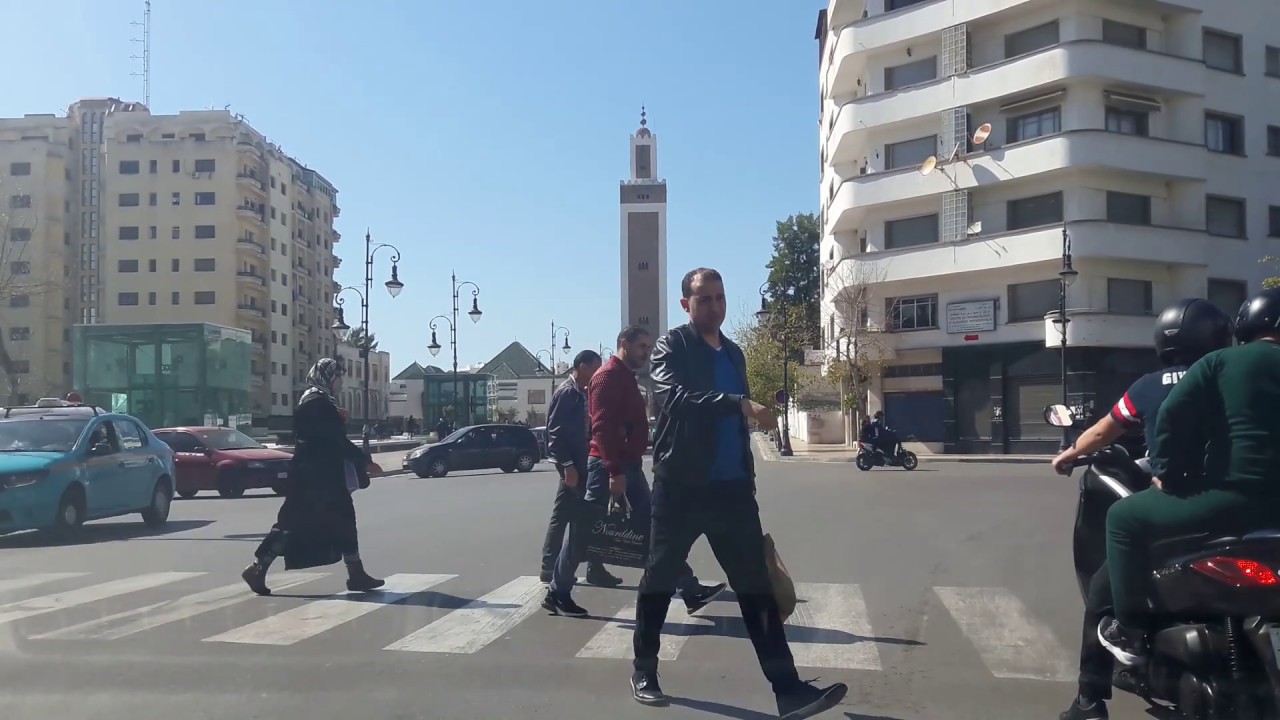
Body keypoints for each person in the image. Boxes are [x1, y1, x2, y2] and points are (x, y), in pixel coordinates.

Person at [631, 268, 848, 719]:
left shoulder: (734, 353)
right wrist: (739, 404)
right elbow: (675, 399)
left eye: (720, 297)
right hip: (682, 488)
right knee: (660, 578)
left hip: (732, 492)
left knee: (756, 590)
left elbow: (738, 421)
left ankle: (788, 690)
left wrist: (748, 462)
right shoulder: (673, 347)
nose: (714, 306)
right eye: (704, 299)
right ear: (685, 304)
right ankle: (645, 669)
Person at [1049, 298, 1232, 720]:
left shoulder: (1150, 386)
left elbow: (1103, 430)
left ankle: (1090, 701)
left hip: (1179, 507)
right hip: (1244, 505)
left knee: (1102, 588)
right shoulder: (1234, 374)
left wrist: (1067, 455)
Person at [1098, 288, 1280, 669]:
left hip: (1232, 501)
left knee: (1122, 519)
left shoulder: (1219, 363)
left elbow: (1172, 418)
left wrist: (1168, 474)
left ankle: (1130, 630)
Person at [546, 326, 724, 616]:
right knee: (586, 531)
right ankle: (557, 591)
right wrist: (615, 471)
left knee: (656, 529)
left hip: (624, 465)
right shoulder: (606, 377)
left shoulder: (623, 377)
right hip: (609, 467)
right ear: (623, 344)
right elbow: (601, 429)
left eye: (648, 346)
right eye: (642, 346)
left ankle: (690, 590)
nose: (647, 352)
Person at [241, 358, 384, 596]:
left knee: (338, 519)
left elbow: (322, 434)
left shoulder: (317, 400)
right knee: (294, 523)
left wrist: (337, 419)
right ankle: (258, 568)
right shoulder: (317, 402)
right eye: (337, 376)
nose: (340, 381)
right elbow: (333, 440)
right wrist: (365, 461)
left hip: (317, 474)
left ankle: (356, 573)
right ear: (327, 377)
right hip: (315, 476)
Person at [538, 350, 621, 589]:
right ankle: (549, 566)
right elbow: (554, 434)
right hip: (573, 464)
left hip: (587, 462)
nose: (599, 372)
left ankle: (595, 567)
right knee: (564, 514)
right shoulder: (566, 392)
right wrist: (567, 465)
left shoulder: (584, 392)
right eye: (596, 367)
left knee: (591, 515)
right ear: (583, 367)